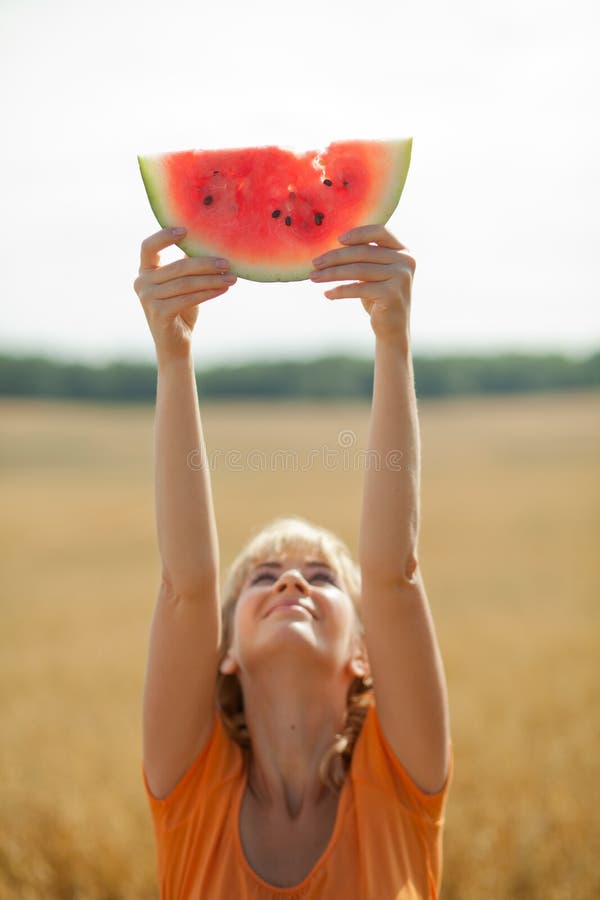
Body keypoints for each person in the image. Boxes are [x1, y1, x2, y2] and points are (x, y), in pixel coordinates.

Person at [134, 224, 452, 899]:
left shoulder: (399, 787)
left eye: (323, 577)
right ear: (224, 652)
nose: (289, 579)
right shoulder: (193, 791)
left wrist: (393, 340)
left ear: (366, 654)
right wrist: (174, 358)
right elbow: (184, 588)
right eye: (261, 576)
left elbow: (394, 576)